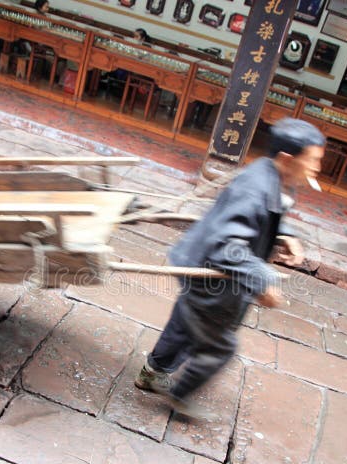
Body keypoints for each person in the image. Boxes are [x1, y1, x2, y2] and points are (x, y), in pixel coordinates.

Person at [135, 118, 326, 419]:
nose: (316, 168)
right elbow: (227, 247)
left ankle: (152, 372)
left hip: (197, 258)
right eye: (313, 160)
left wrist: (286, 234)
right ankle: (179, 397)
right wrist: (263, 279)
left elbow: (265, 216)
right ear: (288, 159)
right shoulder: (256, 188)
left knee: (185, 322)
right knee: (220, 346)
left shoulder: (272, 174)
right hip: (211, 275)